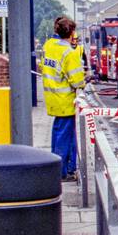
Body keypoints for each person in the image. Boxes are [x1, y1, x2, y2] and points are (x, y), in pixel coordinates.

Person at [41, 16, 87, 181]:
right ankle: (62, 172)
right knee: (65, 138)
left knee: (58, 134)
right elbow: (77, 81)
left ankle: (60, 168)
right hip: (66, 100)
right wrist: (85, 80)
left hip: (52, 97)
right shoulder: (69, 53)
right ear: (72, 32)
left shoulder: (48, 46)